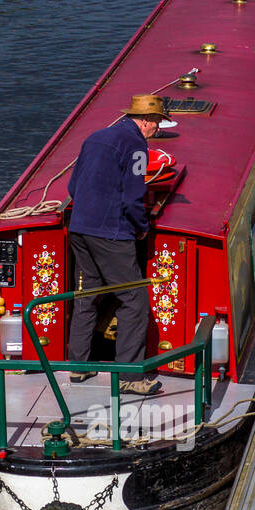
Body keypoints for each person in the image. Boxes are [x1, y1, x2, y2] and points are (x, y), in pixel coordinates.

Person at [66, 93, 170, 396]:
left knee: (86, 296)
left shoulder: (95, 137)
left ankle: (78, 369)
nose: (157, 130)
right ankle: (129, 376)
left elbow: (73, 186)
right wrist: (141, 228)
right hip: (111, 234)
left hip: (79, 231)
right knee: (134, 300)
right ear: (147, 121)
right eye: (157, 124)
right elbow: (133, 197)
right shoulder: (136, 145)